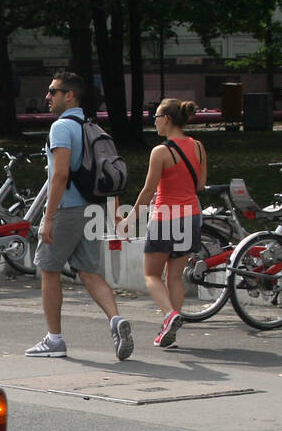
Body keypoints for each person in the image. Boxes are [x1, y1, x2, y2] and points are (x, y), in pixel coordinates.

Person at [26, 71, 133, 360]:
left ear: (69, 95)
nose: (48, 97)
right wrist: (114, 213)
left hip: (68, 210)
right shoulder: (91, 126)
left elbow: (59, 175)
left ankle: (54, 340)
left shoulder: (61, 128)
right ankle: (115, 320)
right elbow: (103, 172)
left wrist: (48, 218)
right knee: (89, 271)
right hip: (93, 208)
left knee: (49, 271)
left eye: (53, 91)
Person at [115, 98, 205, 348]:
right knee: (174, 277)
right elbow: (200, 184)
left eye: (155, 117)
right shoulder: (198, 146)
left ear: (166, 119)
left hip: (165, 217)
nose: (153, 122)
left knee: (151, 274)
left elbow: (147, 191)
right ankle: (170, 332)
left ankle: (170, 315)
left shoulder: (161, 151)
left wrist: (129, 220)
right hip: (191, 215)